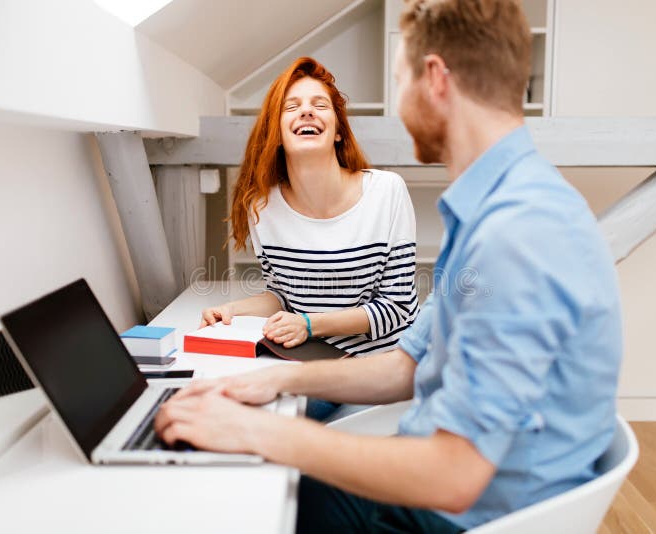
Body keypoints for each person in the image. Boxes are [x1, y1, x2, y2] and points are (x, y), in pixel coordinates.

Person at [156, 0, 622, 531]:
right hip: (444, 485)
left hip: (465, 516)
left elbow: (454, 477)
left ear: (434, 79)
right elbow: (407, 366)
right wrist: (277, 381)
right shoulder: (490, 211)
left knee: (252, 492)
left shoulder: (516, 234)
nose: (398, 106)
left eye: (399, 80)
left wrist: (259, 432)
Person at [202, 57, 418, 419]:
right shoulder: (262, 206)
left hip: (374, 368)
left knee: (258, 422)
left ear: (337, 131)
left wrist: (309, 324)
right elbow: (284, 296)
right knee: (215, 402)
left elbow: (397, 309)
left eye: (320, 106)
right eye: (293, 107)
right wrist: (231, 311)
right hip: (303, 360)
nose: (307, 112)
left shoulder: (386, 192)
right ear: (277, 132)